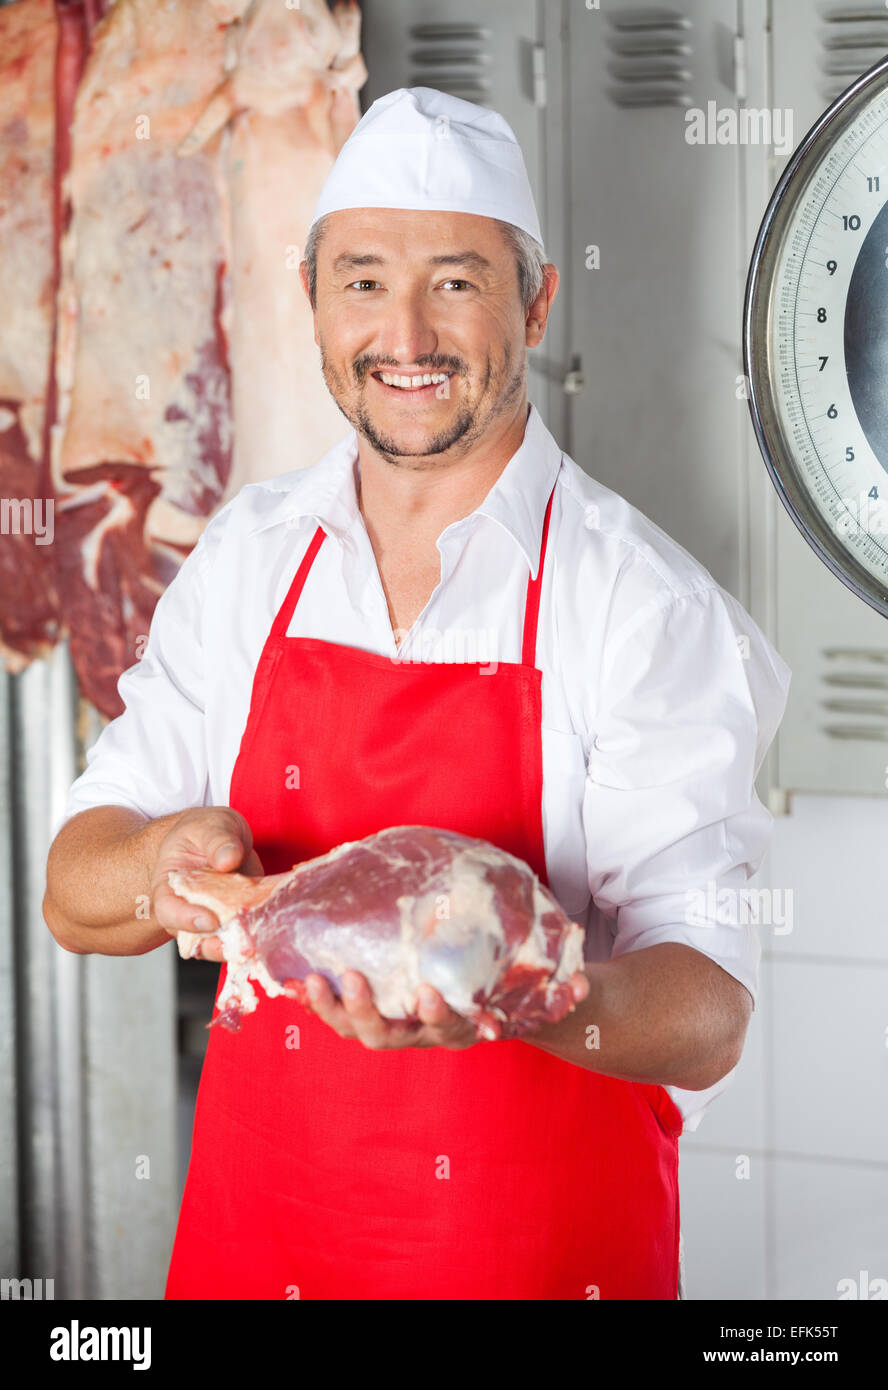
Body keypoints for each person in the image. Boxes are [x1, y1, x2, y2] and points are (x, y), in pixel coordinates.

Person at [44, 86, 791, 1300]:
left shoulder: (638, 602)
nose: (405, 332)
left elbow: (708, 1016)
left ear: (538, 299)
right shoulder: (248, 562)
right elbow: (74, 891)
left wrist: (524, 994)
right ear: (313, 297)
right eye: (362, 280)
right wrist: (162, 860)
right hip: (260, 1254)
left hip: (537, 1263)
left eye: (455, 280)